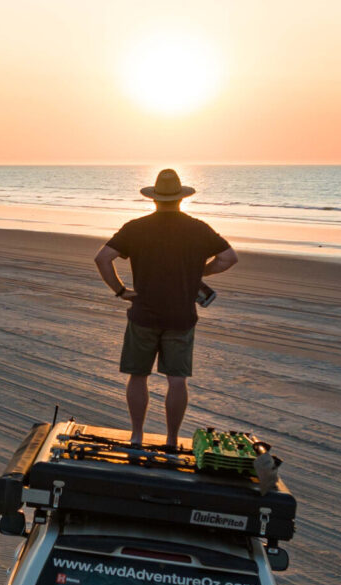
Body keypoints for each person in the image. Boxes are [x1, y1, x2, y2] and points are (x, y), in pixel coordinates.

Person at [94, 168, 238, 451]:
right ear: (181, 198)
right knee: (177, 380)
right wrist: (199, 273)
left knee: (138, 375)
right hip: (181, 316)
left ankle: (137, 435)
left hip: (144, 313)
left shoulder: (136, 227)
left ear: (155, 198)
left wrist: (121, 290)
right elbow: (229, 258)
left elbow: (102, 259)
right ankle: (172, 440)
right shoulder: (198, 228)